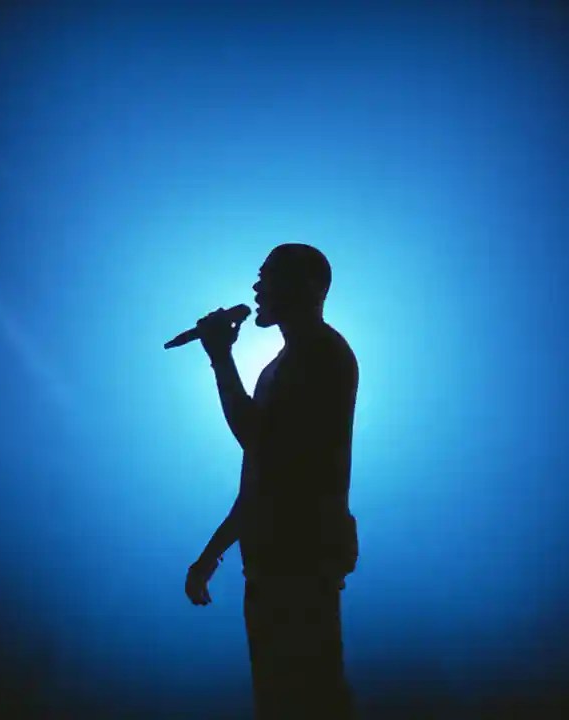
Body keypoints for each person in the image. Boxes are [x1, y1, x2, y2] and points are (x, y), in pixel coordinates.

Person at [185, 243, 360, 719]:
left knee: (308, 699)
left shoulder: (324, 354)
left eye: (269, 276)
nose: (257, 287)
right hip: (270, 568)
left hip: (301, 565)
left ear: (308, 286)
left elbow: (259, 442)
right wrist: (211, 554)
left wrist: (220, 356)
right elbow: (262, 480)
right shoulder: (275, 369)